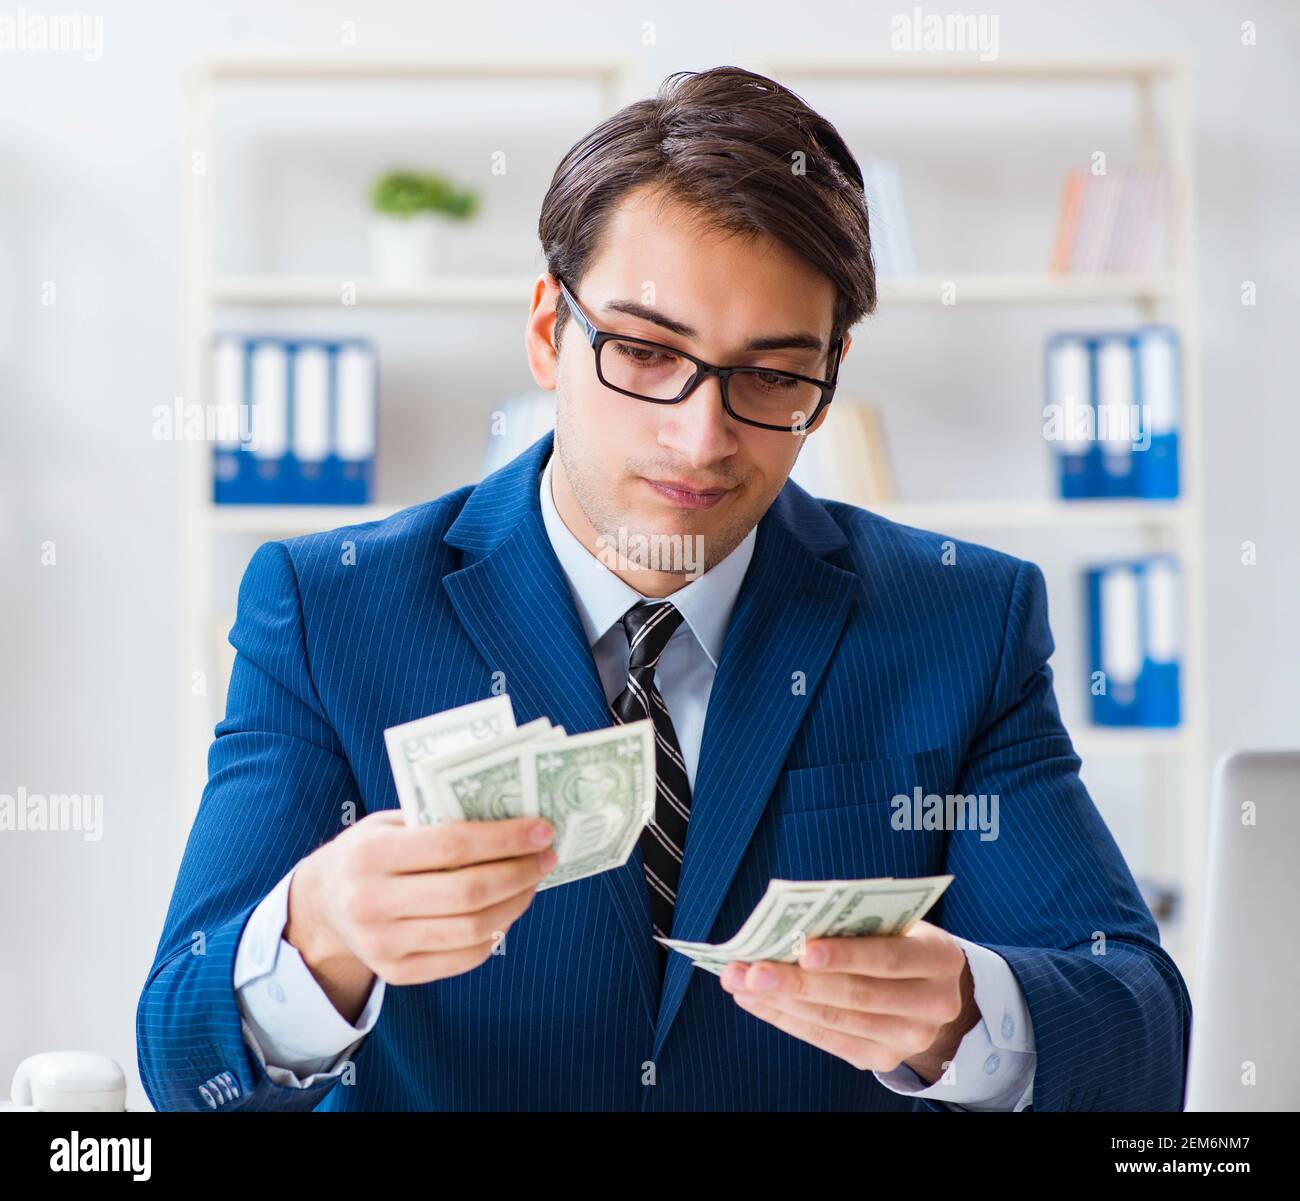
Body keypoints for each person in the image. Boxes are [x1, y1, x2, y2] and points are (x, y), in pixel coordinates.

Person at [138, 66, 1190, 1112]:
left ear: (831, 373)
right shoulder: (330, 609)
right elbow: (183, 1068)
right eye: (645, 353)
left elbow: (1139, 1038)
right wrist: (316, 934)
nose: (701, 437)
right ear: (550, 330)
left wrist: (967, 1015)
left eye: (773, 374)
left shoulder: (960, 621)